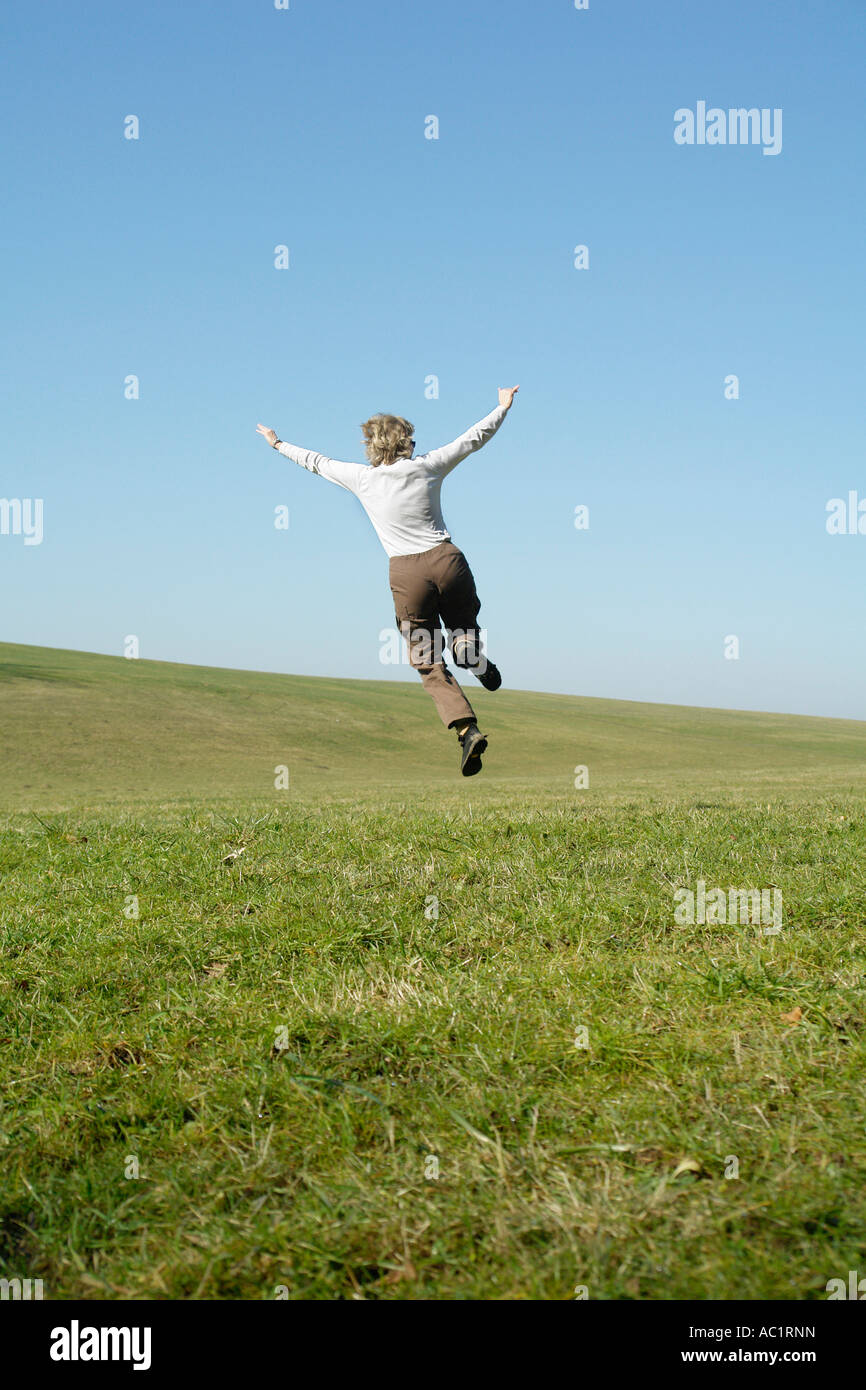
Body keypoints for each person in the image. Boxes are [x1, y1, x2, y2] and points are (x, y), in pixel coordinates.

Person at [256, 385, 519, 776]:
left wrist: (278, 444)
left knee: (428, 661)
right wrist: (502, 407)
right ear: (406, 442)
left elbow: (316, 462)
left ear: (370, 445)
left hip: (407, 575)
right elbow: (472, 439)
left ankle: (467, 729)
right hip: (448, 561)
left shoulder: (361, 478)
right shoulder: (427, 465)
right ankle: (472, 656)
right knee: (464, 627)